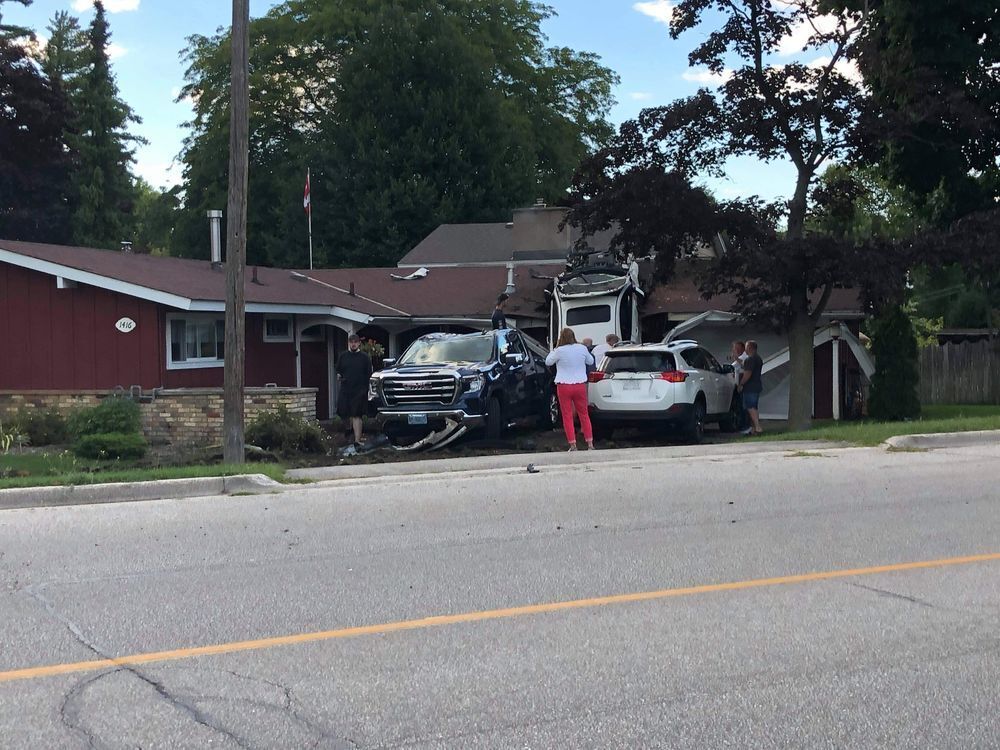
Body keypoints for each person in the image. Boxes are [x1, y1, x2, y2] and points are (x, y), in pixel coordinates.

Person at [545, 327, 596, 450]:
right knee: (584, 414)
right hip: (579, 384)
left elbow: (548, 362)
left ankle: (573, 444)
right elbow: (590, 361)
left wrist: (554, 350)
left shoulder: (559, 351)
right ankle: (590, 443)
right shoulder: (582, 348)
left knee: (567, 415)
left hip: (563, 385)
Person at [336, 333, 373, 448]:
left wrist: (366, 390)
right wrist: (339, 376)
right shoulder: (343, 356)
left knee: (357, 415)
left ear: (359, 344)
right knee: (342, 413)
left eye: (355, 342)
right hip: (346, 389)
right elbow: (338, 371)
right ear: (348, 343)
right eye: (351, 342)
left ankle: (357, 440)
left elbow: (369, 374)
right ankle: (348, 428)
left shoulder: (364, 357)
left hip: (360, 390)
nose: (353, 344)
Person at [738, 340, 764, 435]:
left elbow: (747, 373)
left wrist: (741, 384)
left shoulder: (750, 359)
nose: (745, 349)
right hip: (757, 385)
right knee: (754, 407)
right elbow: (745, 365)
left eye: (746, 347)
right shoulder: (758, 358)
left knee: (750, 407)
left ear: (750, 348)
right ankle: (753, 429)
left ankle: (757, 427)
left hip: (750, 387)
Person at [730, 340, 748, 430]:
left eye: (735, 348)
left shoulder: (744, 357)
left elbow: (732, 367)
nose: (733, 350)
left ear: (740, 348)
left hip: (742, 385)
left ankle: (744, 426)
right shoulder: (741, 357)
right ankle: (742, 425)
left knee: (743, 406)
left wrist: (736, 358)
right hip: (738, 384)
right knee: (740, 406)